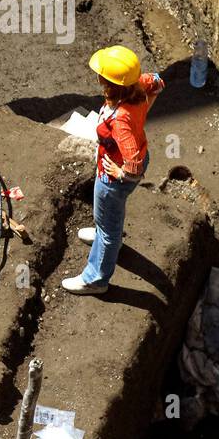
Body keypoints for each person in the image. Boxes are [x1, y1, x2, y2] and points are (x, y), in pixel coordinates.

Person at [61, 46, 165, 295]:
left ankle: (96, 279)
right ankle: (103, 233)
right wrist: (145, 109)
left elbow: (135, 164)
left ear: (109, 81)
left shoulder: (120, 121)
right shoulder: (138, 85)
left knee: (109, 227)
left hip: (113, 177)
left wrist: (120, 173)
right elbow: (158, 83)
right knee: (107, 216)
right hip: (129, 158)